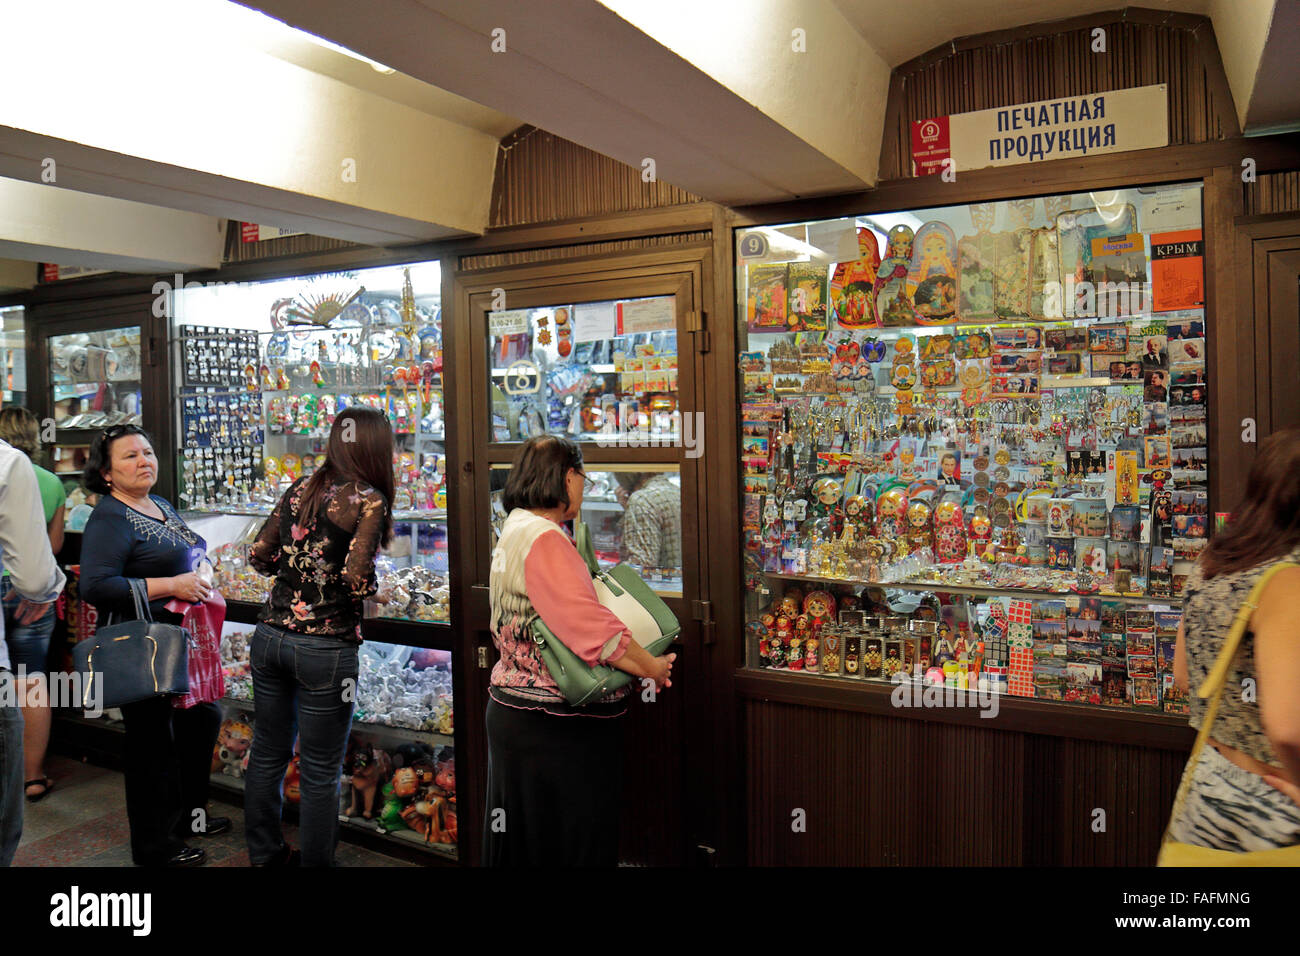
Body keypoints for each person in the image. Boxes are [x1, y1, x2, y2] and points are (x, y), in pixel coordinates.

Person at [484, 436, 675, 866]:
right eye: (582, 478)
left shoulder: (513, 526)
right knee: (572, 841)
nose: (583, 488)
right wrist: (654, 667)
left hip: (515, 712)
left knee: (527, 843)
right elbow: (594, 633)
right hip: (555, 725)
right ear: (567, 477)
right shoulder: (545, 538)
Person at [244, 407, 394, 867]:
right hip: (325, 648)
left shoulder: (300, 488)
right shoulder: (368, 499)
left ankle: (266, 856)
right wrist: (384, 590)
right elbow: (356, 579)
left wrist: (298, 573)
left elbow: (259, 555)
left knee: (267, 753)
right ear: (374, 448)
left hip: (270, 637)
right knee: (320, 769)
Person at [80, 424, 226, 867]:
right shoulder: (109, 517)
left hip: (185, 643)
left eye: (147, 451)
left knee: (201, 722)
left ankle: (188, 818)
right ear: (106, 472)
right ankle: (153, 846)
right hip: (143, 645)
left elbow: (187, 550)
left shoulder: (158, 503)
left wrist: (202, 572)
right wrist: (172, 583)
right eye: (129, 456)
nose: (144, 461)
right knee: (151, 746)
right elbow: (95, 584)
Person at [1169, 429, 1300, 852]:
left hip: (1209, 784)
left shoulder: (1213, 559)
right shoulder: (1286, 580)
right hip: (1273, 806)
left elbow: (1182, 676)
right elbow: (1288, 729)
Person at [0, 437, 65, 866]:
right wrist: (43, 588)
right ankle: (35, 775)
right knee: (31, 679)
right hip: (22, 592)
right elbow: (46, 556)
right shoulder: (17, 467)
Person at [615, 470, 683, 573]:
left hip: (656, 586)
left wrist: (610, 574)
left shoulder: (641, 500)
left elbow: (642, 564)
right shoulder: (677, 492)